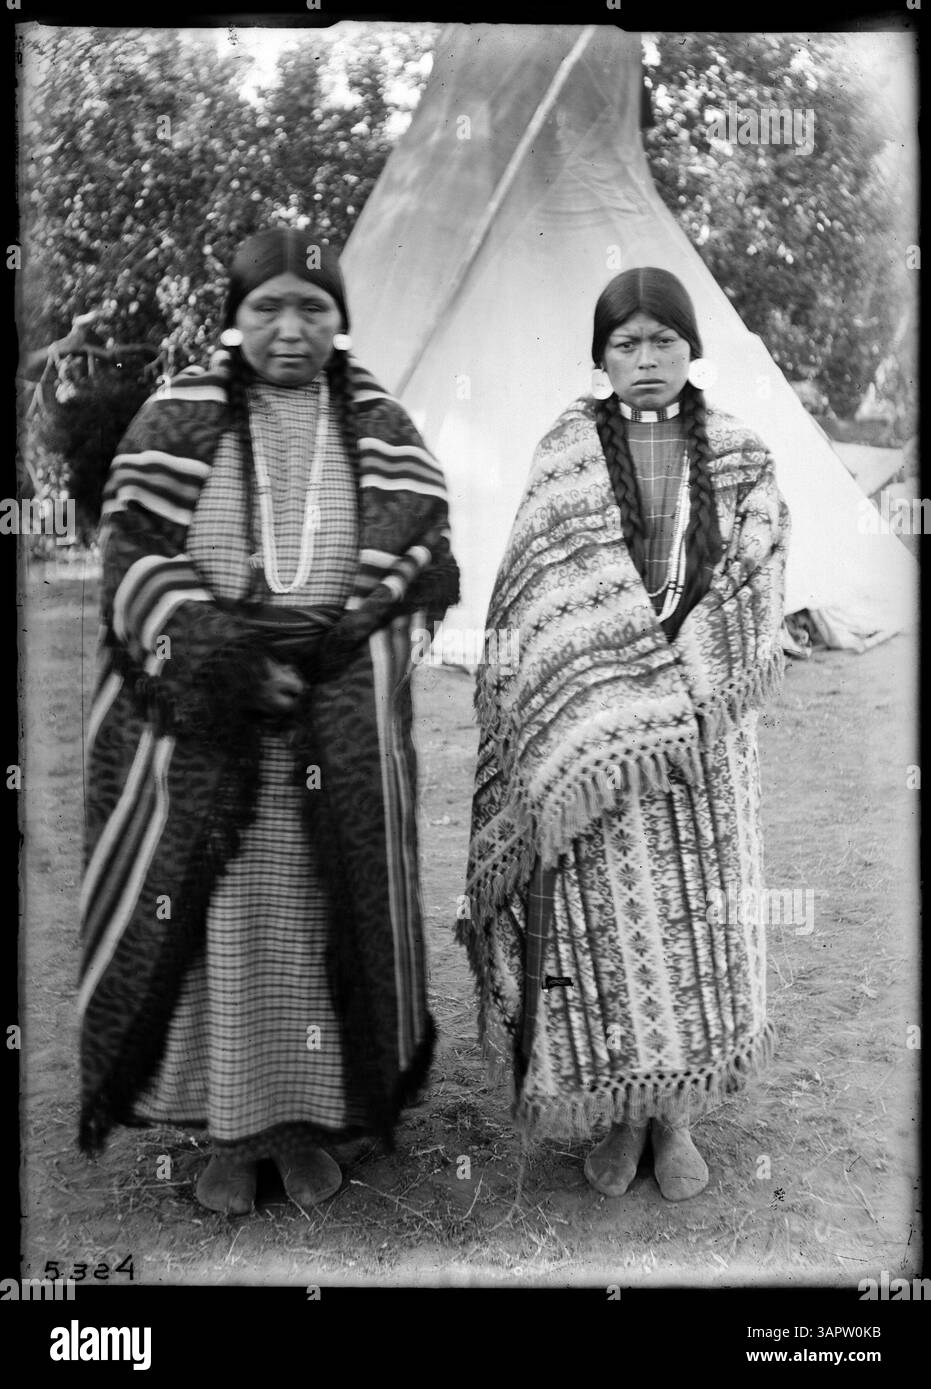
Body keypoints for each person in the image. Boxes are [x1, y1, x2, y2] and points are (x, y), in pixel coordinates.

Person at [79, 227, 459, 1215]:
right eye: (268, 309)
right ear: (233, 318)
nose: (291, 330)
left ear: (340, 321)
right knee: (218, 932)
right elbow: (132, 557)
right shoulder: (178, 418)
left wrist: (336, 657)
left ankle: (302, 1128)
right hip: (212, 732)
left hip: (334, 725)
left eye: (314, 310)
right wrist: (222, 656)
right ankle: (225, 1130)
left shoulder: (381, 424)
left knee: (316, 926)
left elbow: (421, 549)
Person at [460, 267, 789, 1201]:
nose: (645, 359)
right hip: (592, 744)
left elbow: (757, 578)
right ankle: (613, 1117)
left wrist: (680, 688)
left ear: (692, 347)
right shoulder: (564, 452)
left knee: (697, 928)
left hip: (697, 743)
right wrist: (607, 690)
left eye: (662, 340)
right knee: (602, 933)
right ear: (600, 356)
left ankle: (675, 1120)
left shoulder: (737, 452)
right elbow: (533, 591)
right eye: (625, 343)